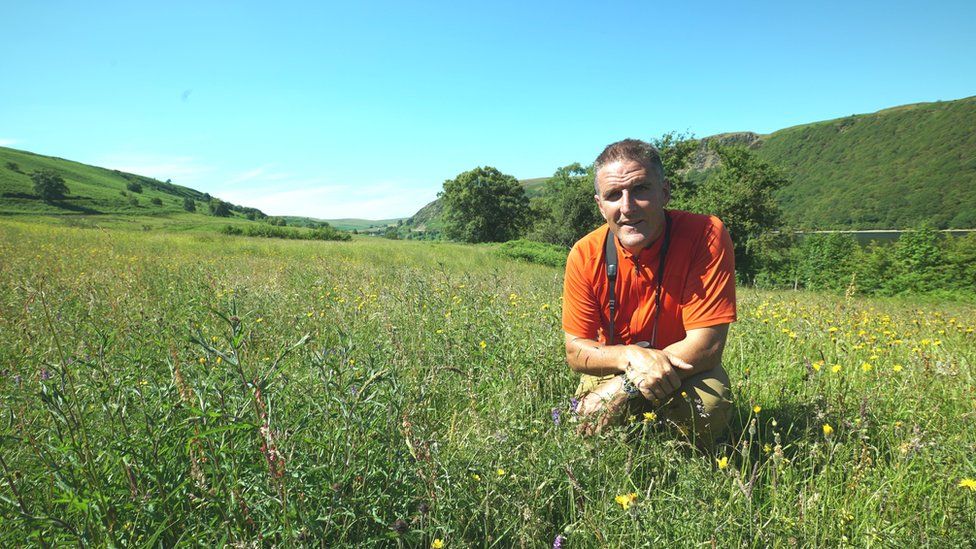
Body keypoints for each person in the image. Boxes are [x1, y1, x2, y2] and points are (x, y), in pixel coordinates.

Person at [562, 139, 736, 449]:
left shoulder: (705, 235)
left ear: (665, 192)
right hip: (616, 366)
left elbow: (708, 345)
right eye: (614, 195)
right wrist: (630, 358)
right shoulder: (584, 254)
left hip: (685, 369)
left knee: (708, 411)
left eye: (640, 189)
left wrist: (628, 385)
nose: (627, 207)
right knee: (584, 421)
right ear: (601, 206)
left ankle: (681, 456)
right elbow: (576, 351)